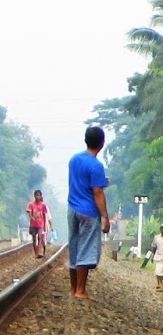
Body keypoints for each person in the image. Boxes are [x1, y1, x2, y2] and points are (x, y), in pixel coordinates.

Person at [67, 125, 110, 299]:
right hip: (88, 212)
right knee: (85, 250)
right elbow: (97, 192)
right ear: (102, 143)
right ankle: (80, 290)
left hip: (72, 208)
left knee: (75, 248)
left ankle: (72, 289)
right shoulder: (96, 165)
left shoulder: (74, 159)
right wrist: (105, 216)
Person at [26, 190, 50, 258]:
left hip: (40, 224)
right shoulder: (31, 204)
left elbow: (45, 215)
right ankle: (36, 252)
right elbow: (29, 212)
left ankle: (38, 252)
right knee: (34, 239)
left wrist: (45, 225)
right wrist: (31, 217)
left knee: (39, 237)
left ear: (41, 196)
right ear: (34, 196)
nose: (37, 197)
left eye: (39, 195)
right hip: (33, 224)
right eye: (36, 195)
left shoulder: (43, 205)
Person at [149, 226, 163, 292]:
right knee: (158, 271)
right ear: (160, 230)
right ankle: (160, 284)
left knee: (161, 272)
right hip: (158, 257)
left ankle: (160, 284)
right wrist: (152, 256)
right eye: (162, 229)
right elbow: (154, 247)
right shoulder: (157, 237)